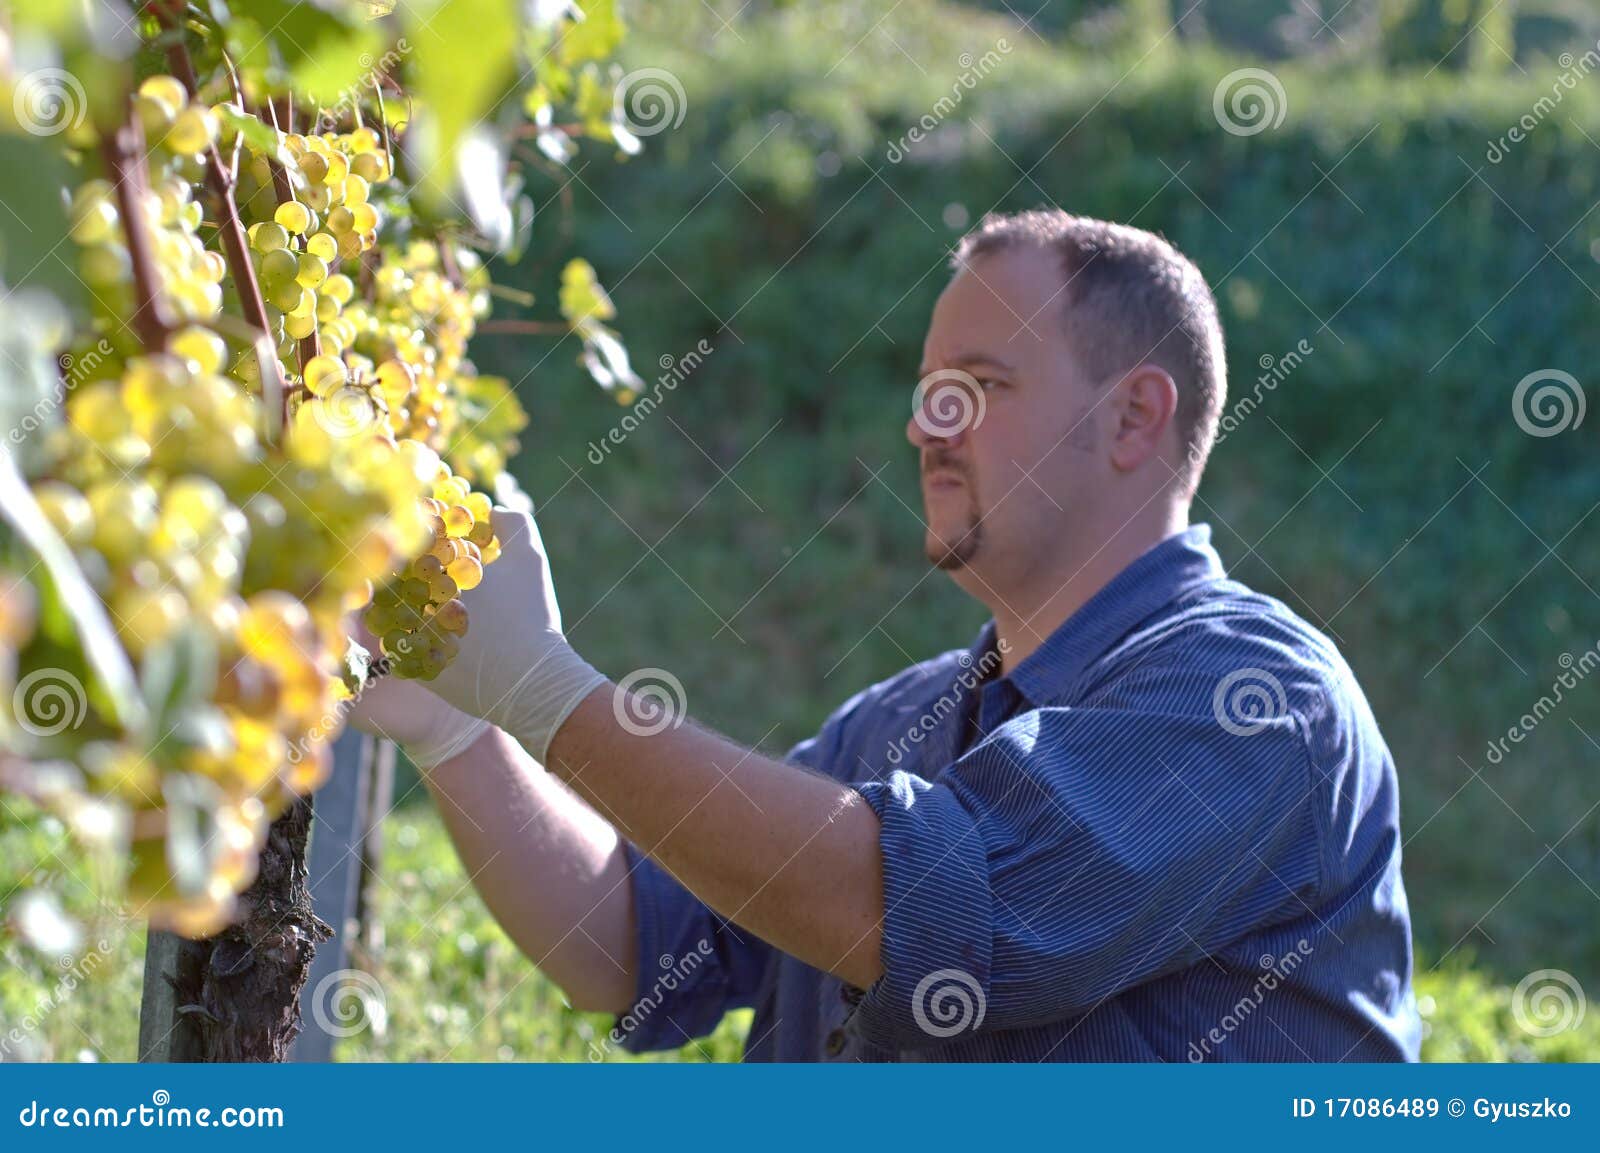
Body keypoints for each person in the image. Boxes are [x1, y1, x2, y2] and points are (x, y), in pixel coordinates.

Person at [350, 209, 1422, 1061]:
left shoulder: (1247, 695)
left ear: (1135, 417)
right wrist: (463, 729)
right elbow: (629, 943)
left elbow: (921, 911)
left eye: (979, 387)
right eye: (924, 394)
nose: (924, 425)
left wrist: (545, 686)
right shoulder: (905, 722)